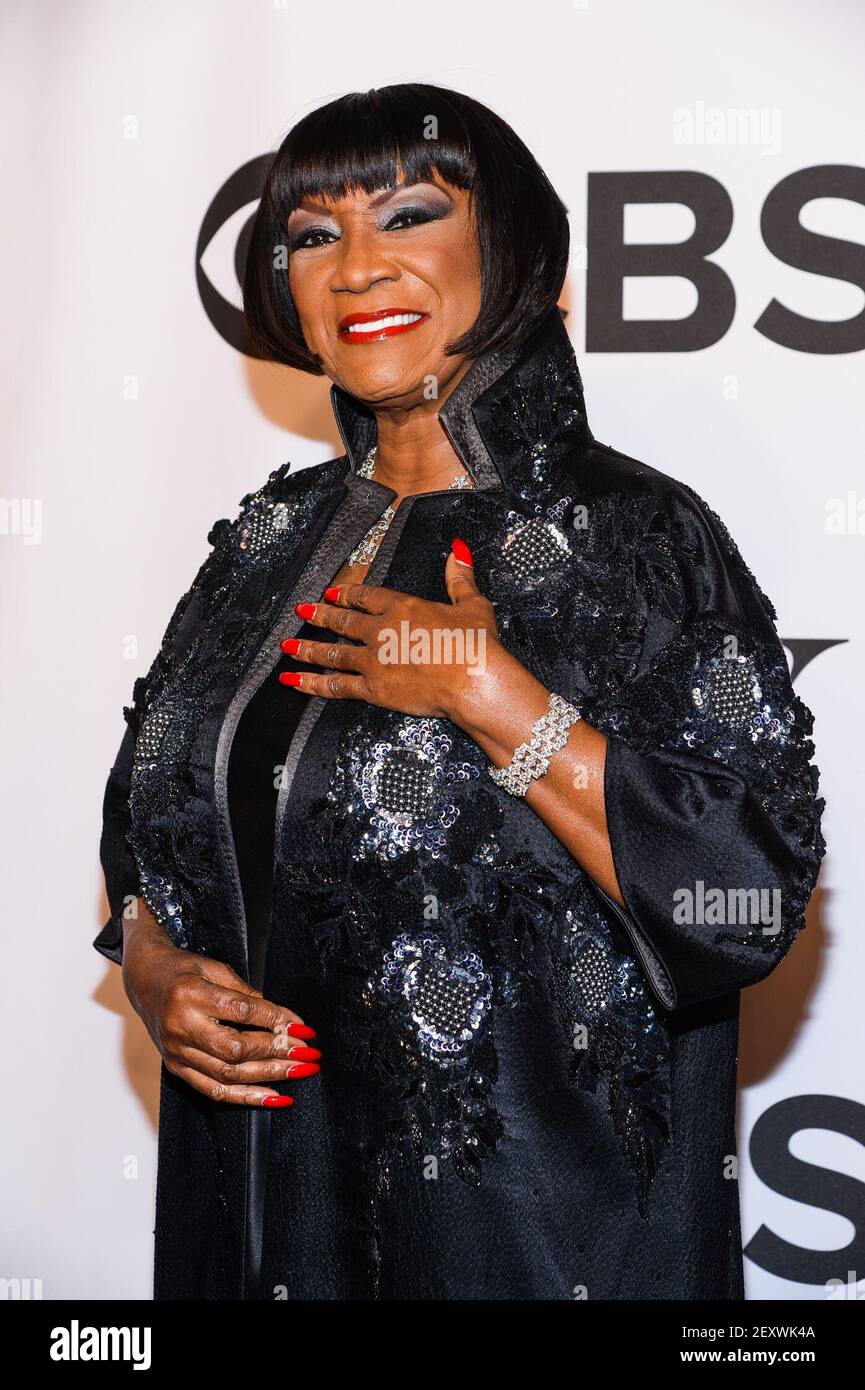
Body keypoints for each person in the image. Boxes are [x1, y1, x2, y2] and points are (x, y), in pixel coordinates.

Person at [95, 83, 825, 1300]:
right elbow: (143, 831)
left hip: (538, 1249)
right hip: (258, 1223)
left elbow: (743, 903)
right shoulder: (268, 540)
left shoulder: (633, 535)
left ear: (511, 248)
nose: (357, 267)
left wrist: (493, 696)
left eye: (410, 214)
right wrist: (156, 972)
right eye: (315, 235)